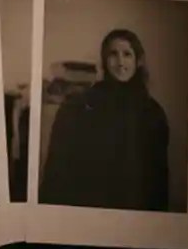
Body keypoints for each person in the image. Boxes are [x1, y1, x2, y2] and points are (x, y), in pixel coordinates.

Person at [40, 29, 170, 211]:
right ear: (104, 61)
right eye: (113, 54)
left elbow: (158, 179)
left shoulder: (152, 112)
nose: (120, 62)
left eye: (127, 54)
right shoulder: (83, 104)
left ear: (137, 61)